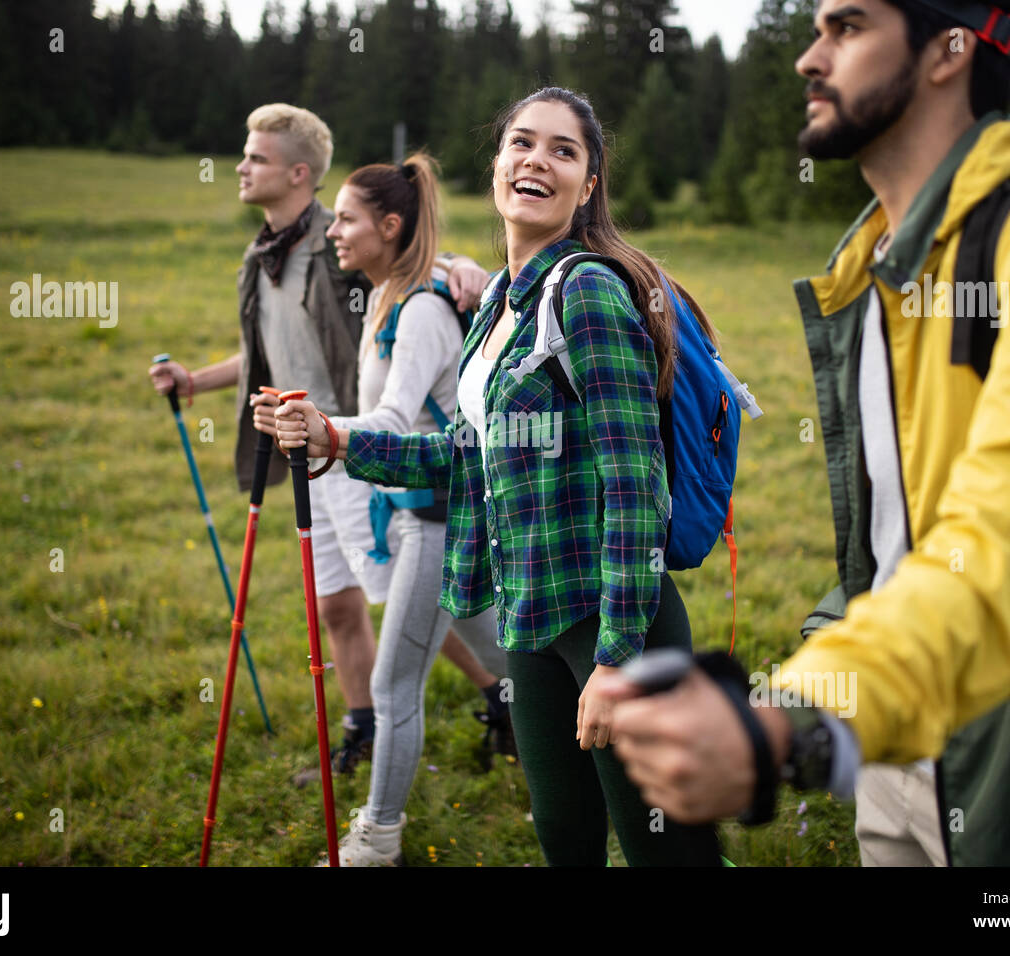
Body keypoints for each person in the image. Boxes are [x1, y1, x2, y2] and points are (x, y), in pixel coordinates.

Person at [597, 0, 1010, 866]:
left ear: (948, 50)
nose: (808, 58)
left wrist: (800, 720)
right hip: (884, 745)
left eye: (848, 27)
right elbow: (897, 533)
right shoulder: (870, 264)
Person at [275, 87, 723, 867]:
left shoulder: (586, 292)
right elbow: (462, 455)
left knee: (667, 850)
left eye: (563, 150)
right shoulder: (498, 307)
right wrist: (335, 439)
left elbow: (634, 486)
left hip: (612, 617)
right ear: (496, 165)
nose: (536, 161)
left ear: (588, 185)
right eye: (522, 142)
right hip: (531, 612)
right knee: (563, 832)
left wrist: (616, 658)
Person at [148, 103, 493, 775]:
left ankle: (496, 694)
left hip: (359, 446)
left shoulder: (333, 245)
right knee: (340, 603)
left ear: (298, 173)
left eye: (256, 158)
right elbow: (267, 356)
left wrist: (461, 264)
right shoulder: (262, 255)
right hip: (310, 448)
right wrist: (196, 381)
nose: (242, 167)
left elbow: (406, 255)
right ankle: (364, 726)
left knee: (400, 596)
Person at [253, 151, 510, 865]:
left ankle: (379, 840)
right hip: (417, 513)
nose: (332, 230)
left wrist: (324, 431)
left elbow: (395, 420)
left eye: (347, 219)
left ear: (389, 226)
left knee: (398, 685)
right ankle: (552, 725)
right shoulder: (394, 294)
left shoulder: (422, 307)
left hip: (437, 517)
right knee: (516, 659)